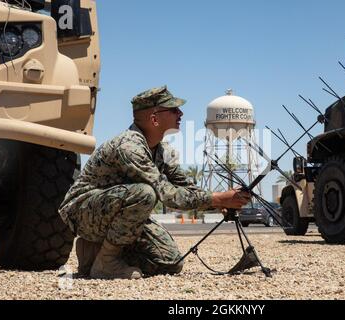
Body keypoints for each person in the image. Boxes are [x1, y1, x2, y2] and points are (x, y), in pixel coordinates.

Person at [58, 86, 251, 280]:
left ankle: (92, 251)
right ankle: (106, 262)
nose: (180, 113)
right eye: (174, 110)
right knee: (144, 193)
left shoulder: (162, 150)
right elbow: (168, 194)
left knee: (170, 262)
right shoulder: (129, 146)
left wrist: (220, 204)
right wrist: (218, 199)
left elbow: (184, 186)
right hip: (82, 211)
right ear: (154, 119)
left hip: (115, 211)